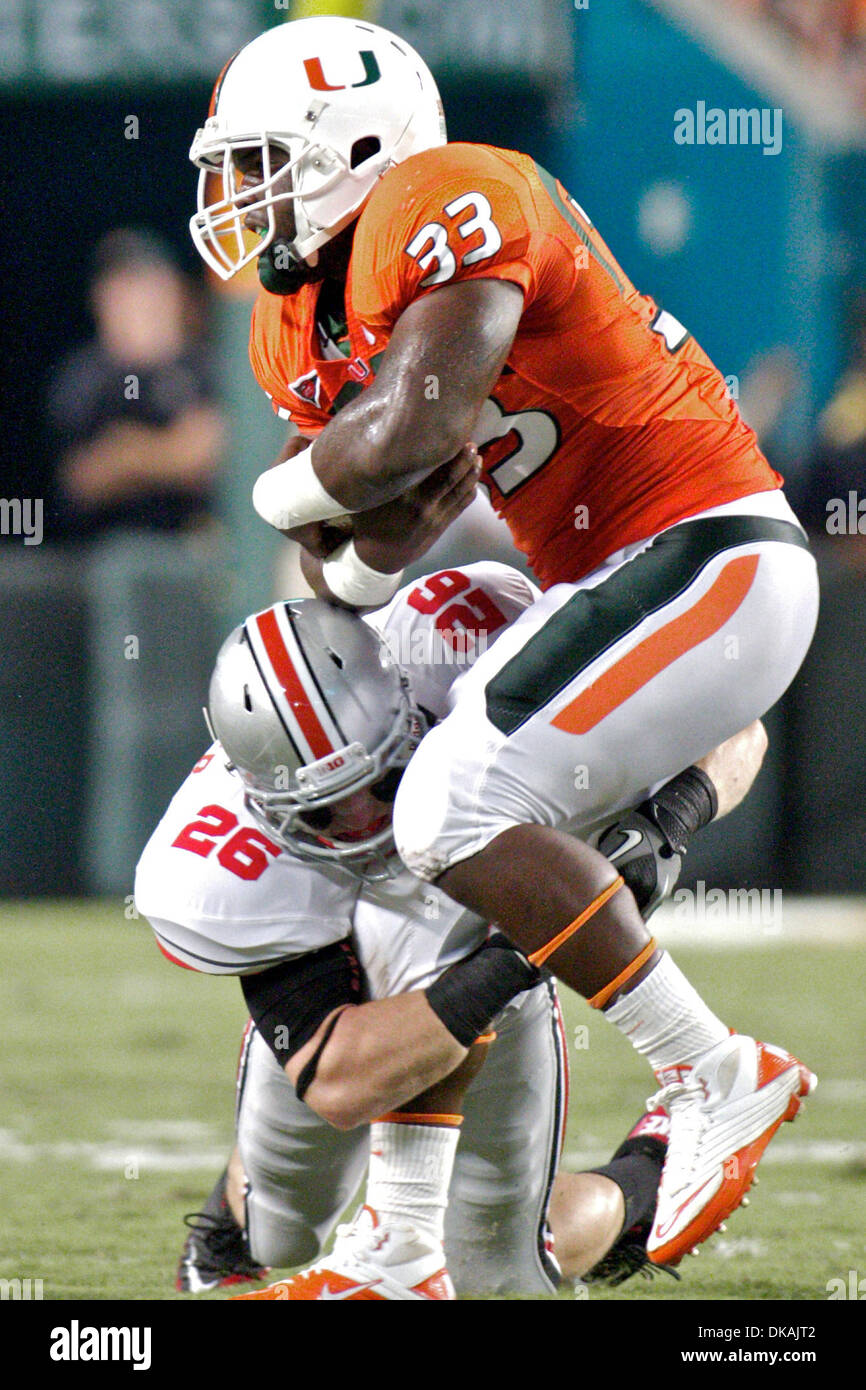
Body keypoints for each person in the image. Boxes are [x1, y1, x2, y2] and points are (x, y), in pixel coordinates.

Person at [187, 16, 818, 1266]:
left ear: (355, 145)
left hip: (705, 547)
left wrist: (300, 490)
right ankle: (401, 1241)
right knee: (435, 856)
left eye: (261, 162)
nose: (237, 198)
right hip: (606, 582)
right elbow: (345, 558)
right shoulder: (298, 314)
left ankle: (711, 1071)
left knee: (444, 808)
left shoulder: (453, 192)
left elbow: (400, 435)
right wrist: (365, 534)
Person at [135, 562, 760, 1299]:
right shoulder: (216, 868)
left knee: (498, 1279)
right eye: (328, 811)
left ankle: (647, 1171)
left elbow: (732, 718)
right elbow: (343, 1082)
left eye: (384, 782)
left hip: (485, 946)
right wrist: (533, 941)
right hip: (349, 1011)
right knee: (281, 1227)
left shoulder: (466, 645)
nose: (369, 822)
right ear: (262, 800)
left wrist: (668, 820)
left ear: (409, 709)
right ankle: (234, 1210)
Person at [47, 228, 223, 539]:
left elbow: (212, 454)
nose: (139, 302)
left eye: (149, 286)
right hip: (110, 549)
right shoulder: (86, 377)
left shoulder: (204, 364)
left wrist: (133, 452)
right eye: (123, 287)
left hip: (195, 542)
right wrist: (172, 451)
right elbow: (82, 480)